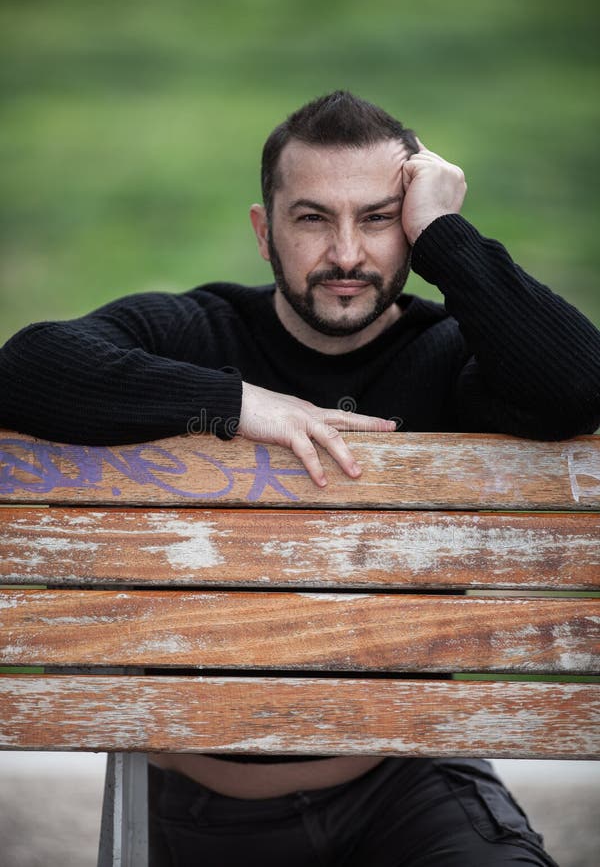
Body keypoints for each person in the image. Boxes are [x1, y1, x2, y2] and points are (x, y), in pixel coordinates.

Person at [1, 90, 599, 866]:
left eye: (379, 219)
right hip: (201, 810)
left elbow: (577, 386)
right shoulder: (197, 333)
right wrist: (238, 405)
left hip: (406, 788)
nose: (347, 254)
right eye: (313, 218)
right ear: (265, 232)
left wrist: (446, 236)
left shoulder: (450, 356)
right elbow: (26, 368)